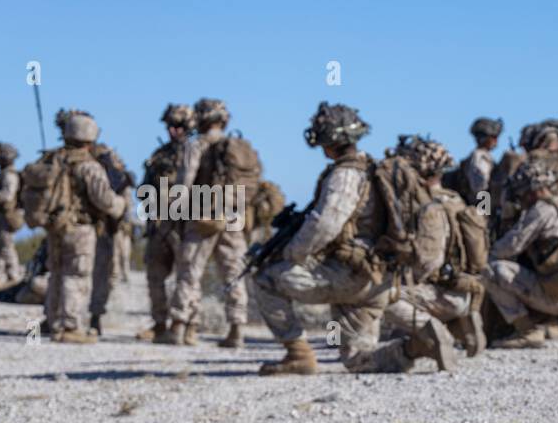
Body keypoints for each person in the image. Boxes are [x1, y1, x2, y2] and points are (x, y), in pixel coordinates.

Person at [251, 102, 449, 375]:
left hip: (349, 274)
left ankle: (298, 355)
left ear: (328, 141)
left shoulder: (345, 175)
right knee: (357, 359)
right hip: (376, 276)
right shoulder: (371, 168)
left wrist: (291, 254)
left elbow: (325, 224)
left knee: (265, 279)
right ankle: (416, 347)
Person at [484, 160, 558, 357]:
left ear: (531, 191)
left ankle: (528, 331)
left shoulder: (540, 211)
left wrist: (483, 254)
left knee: (492, 271)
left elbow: (510, 246)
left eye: (521, 194)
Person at [382, 136, 484, 363]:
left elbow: (429, 262)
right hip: (464, 289)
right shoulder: (456, 199)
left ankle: (432, 331)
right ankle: (461, 324)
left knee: (377, 295)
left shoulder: (428, 208)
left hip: (441, 292)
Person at [168, 97, 258, 348]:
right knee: (233, 272)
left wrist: (176, 214)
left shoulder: (195, 146)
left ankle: (181, 326)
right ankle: (236, 329)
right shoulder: (239, 146)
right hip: (233, 214)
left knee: (189, 271)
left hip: (204, 215)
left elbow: (184, 182)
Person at [40, 113, 127, 343]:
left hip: (55, 226)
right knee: (76, 275)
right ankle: (70, 326)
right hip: (80, 227)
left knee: (56, 272)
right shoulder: (89, 166)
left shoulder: (53, 160)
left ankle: (51, 320)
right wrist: (121, 205)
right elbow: (104, 199)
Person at [136, 103, 196, 342]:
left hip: (185, 225)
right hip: (159, 224)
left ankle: (190, 324)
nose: (173, 131)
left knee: (188, 276)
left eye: (178, 126)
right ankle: (159, 324)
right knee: (155, 276)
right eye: (170, 126)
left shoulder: (197, 153)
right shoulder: (159, 155)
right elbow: (143, 189)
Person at [0, 142, 23, 289]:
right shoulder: (0, 174)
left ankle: (14, 277)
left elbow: (7, 196)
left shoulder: (10, 176)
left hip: (5, 217)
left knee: (6, 248)